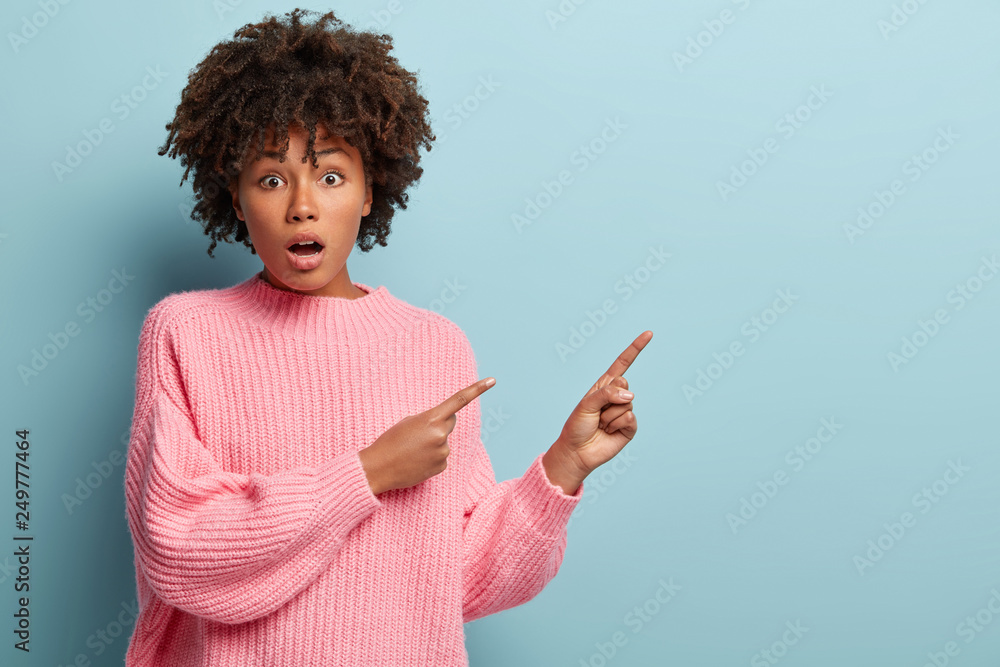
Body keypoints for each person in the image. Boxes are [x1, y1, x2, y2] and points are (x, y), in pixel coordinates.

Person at [123, 8, 651, 666]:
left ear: (371, 191)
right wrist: (369, 472)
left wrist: (563, 466)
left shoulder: (434, 345)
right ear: (235, 198)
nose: (303, 205)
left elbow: (456, 576)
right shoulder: (186, 333)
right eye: (270, 178)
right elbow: (179, 546)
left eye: (332, 176)